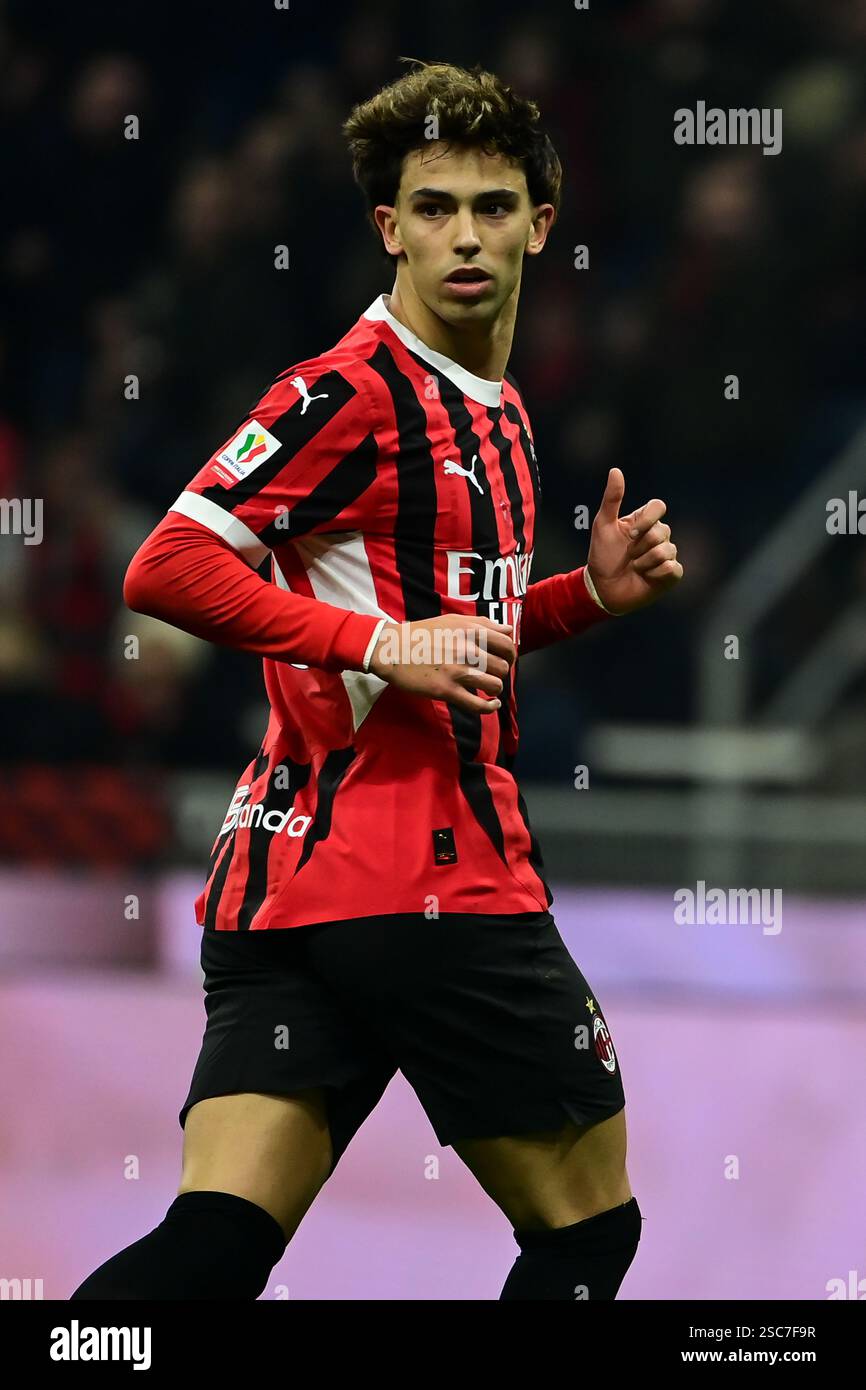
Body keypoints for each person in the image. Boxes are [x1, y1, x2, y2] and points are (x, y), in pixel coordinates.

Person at [71, 58, 682, 1302]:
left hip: (286, 903)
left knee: (216, 1244)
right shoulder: (345, 391)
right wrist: (374, 648)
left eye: (493, 206)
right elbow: (165, 565)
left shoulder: (494, 408)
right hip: (433, 889)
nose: (466, 235)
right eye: (436, 206)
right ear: (387, 227)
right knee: (585, 1232)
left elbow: (456, 635)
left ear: (540, 225)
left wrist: (583, 598)